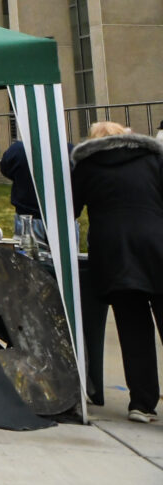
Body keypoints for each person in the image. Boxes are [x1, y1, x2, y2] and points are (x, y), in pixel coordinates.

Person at [71, 122, 163, 423]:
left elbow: (70, 209)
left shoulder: (87, 165)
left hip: (113, 251)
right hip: (157, 243)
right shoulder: (153, 159)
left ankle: (142, 403)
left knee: (132, 328)